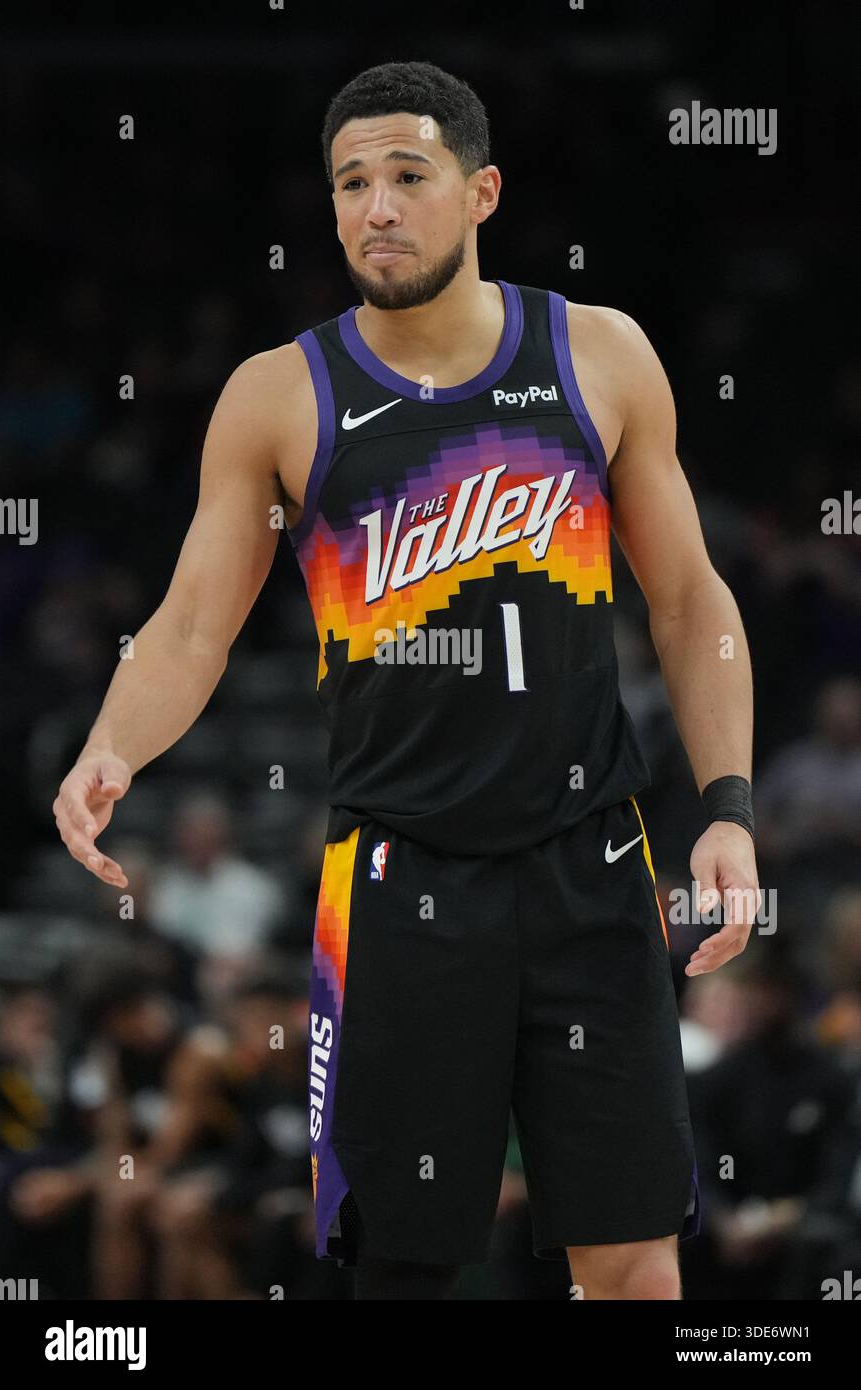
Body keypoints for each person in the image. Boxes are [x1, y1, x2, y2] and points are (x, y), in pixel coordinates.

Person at [52, 60, 760, 1300]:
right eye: (350, 183)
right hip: (394, 877)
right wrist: (112, 747)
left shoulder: (597, 354)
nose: (376, 206)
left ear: (480, 192)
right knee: (396, 1262)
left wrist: (730, 810)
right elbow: (187, 628)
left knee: (633, 1254)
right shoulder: (279, 393)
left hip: (590, 856)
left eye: (407, 176)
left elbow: (690, 598)